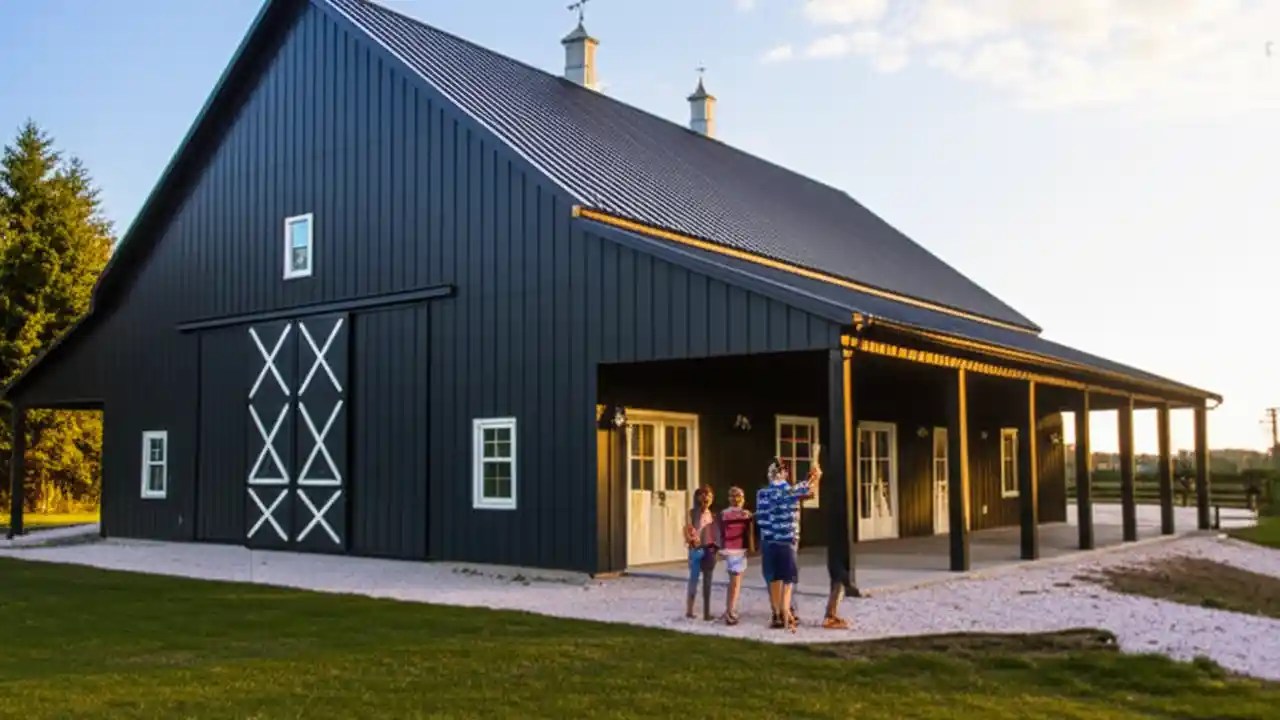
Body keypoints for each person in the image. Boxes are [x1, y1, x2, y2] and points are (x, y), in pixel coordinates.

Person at [756, 459, 820, 631]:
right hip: (787, 540)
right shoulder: (791, 490)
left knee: (773, 578)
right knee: (788, 579)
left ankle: (776, 613)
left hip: (768, 541)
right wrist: (816, 476)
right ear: (784, 473)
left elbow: (761, 518)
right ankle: (786, 612)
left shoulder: (762, 494)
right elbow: (810, 489)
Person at [718, 486, 753, 625]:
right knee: (735, 582)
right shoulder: (727, 514)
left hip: (739, 550)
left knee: (735, 582)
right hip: (734, 550)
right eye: (734, 496)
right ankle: (730, 611)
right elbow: (720, 533)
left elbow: (749, 533)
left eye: (739, 496)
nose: (736, 499)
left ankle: (730, 608)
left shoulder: (745, 514)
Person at [683, 485, 719, 621]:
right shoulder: (693, 513)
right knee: (693, 580)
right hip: (696, 550)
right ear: (697, 497)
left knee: (708, 582)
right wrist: (690, 540)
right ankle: (689, 610)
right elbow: (687, 529)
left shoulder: (713, 515)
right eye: (703, 494)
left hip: (708, 550)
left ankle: (706, 612)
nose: (706, 497)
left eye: (709, 495)